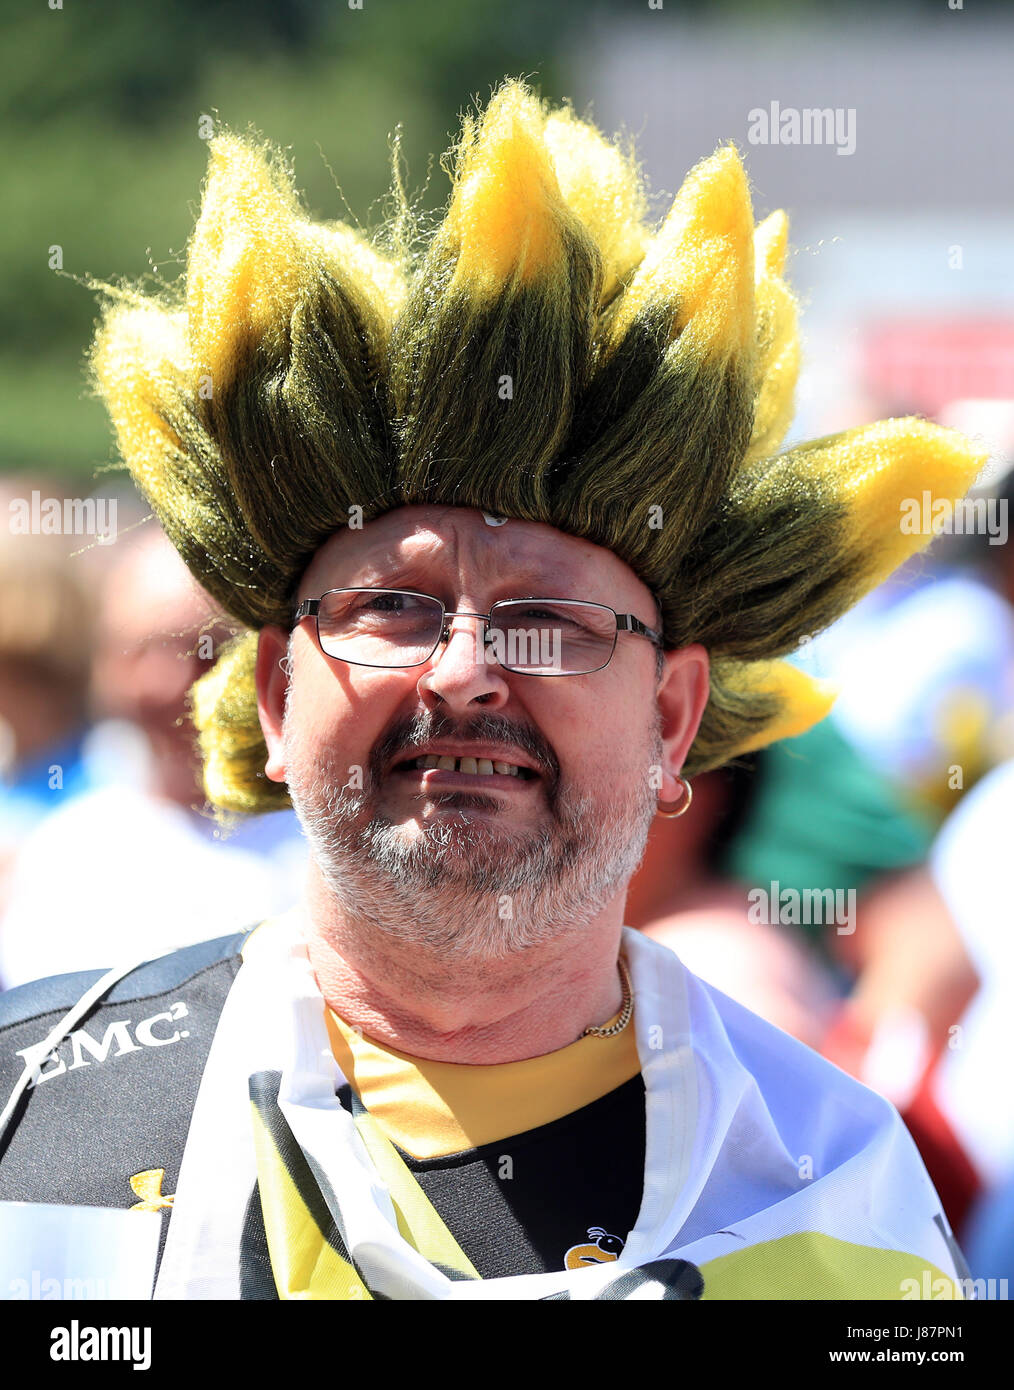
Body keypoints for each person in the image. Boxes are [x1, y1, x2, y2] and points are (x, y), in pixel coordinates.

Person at [0, 80, 987, 1301]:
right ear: (271, 688)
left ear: (673, 720)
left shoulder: (839, 1193)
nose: (465, 669)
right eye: (394, 607)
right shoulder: (36, 1121)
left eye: (549, 621)